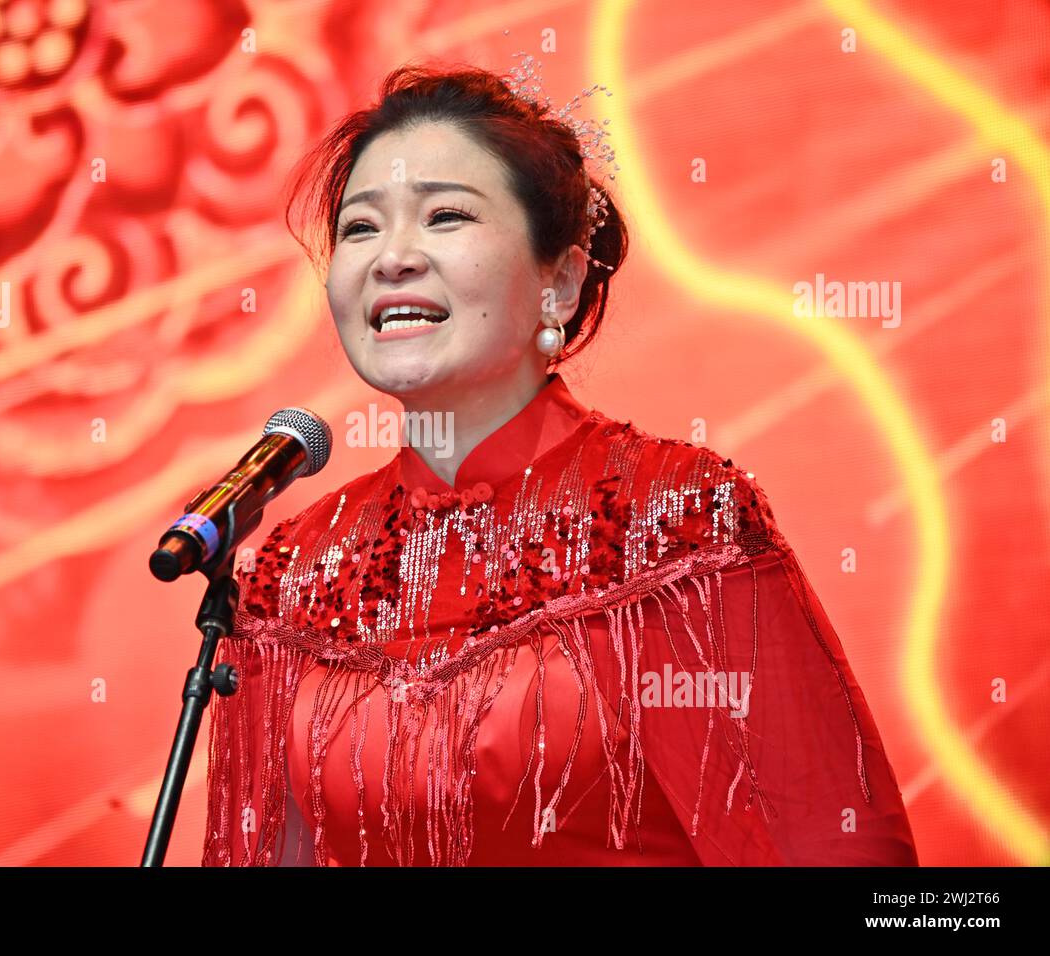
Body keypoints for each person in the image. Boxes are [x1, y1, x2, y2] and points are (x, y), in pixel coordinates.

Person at [199, 62, 919, 866]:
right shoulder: (296, 567)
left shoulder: (672, 515)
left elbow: (828, 838)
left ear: (562, 280)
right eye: (361, 229)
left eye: (444, 216)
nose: (391, 256)